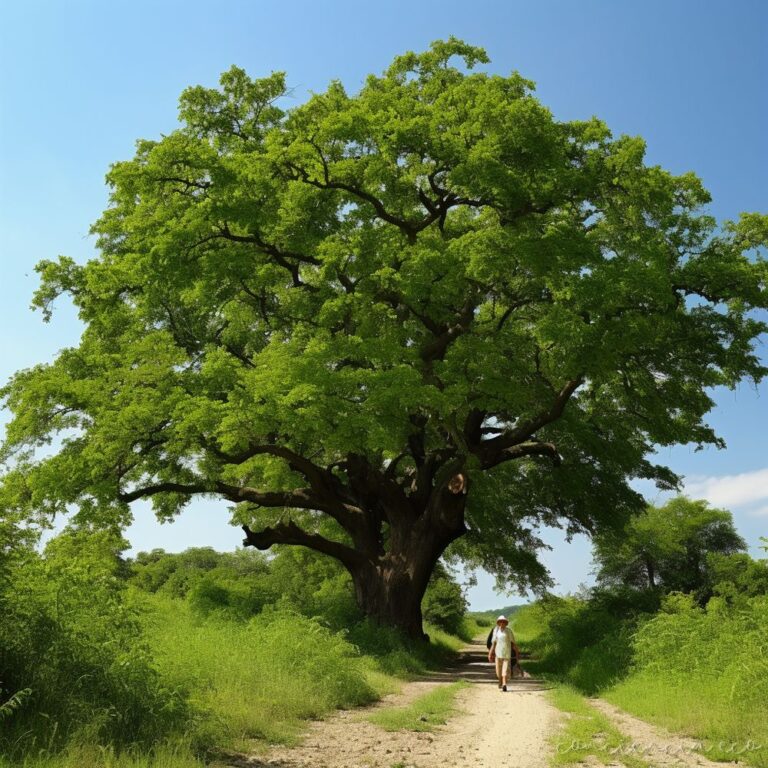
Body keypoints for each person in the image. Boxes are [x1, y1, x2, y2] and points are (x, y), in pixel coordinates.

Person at [487, 615, 516, 691]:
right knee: (498, 672)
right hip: (498, 654)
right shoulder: (496, 631)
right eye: (501, 622)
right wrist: (490, 654)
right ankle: (500, 681)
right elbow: (493, 643)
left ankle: (504, 684)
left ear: (506, 623)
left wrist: (517, 653)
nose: (502, 623)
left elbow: (513, 643)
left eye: (504, 622)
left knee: (505, 670)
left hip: (507, 654)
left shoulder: (509, 631)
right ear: (498, 623)